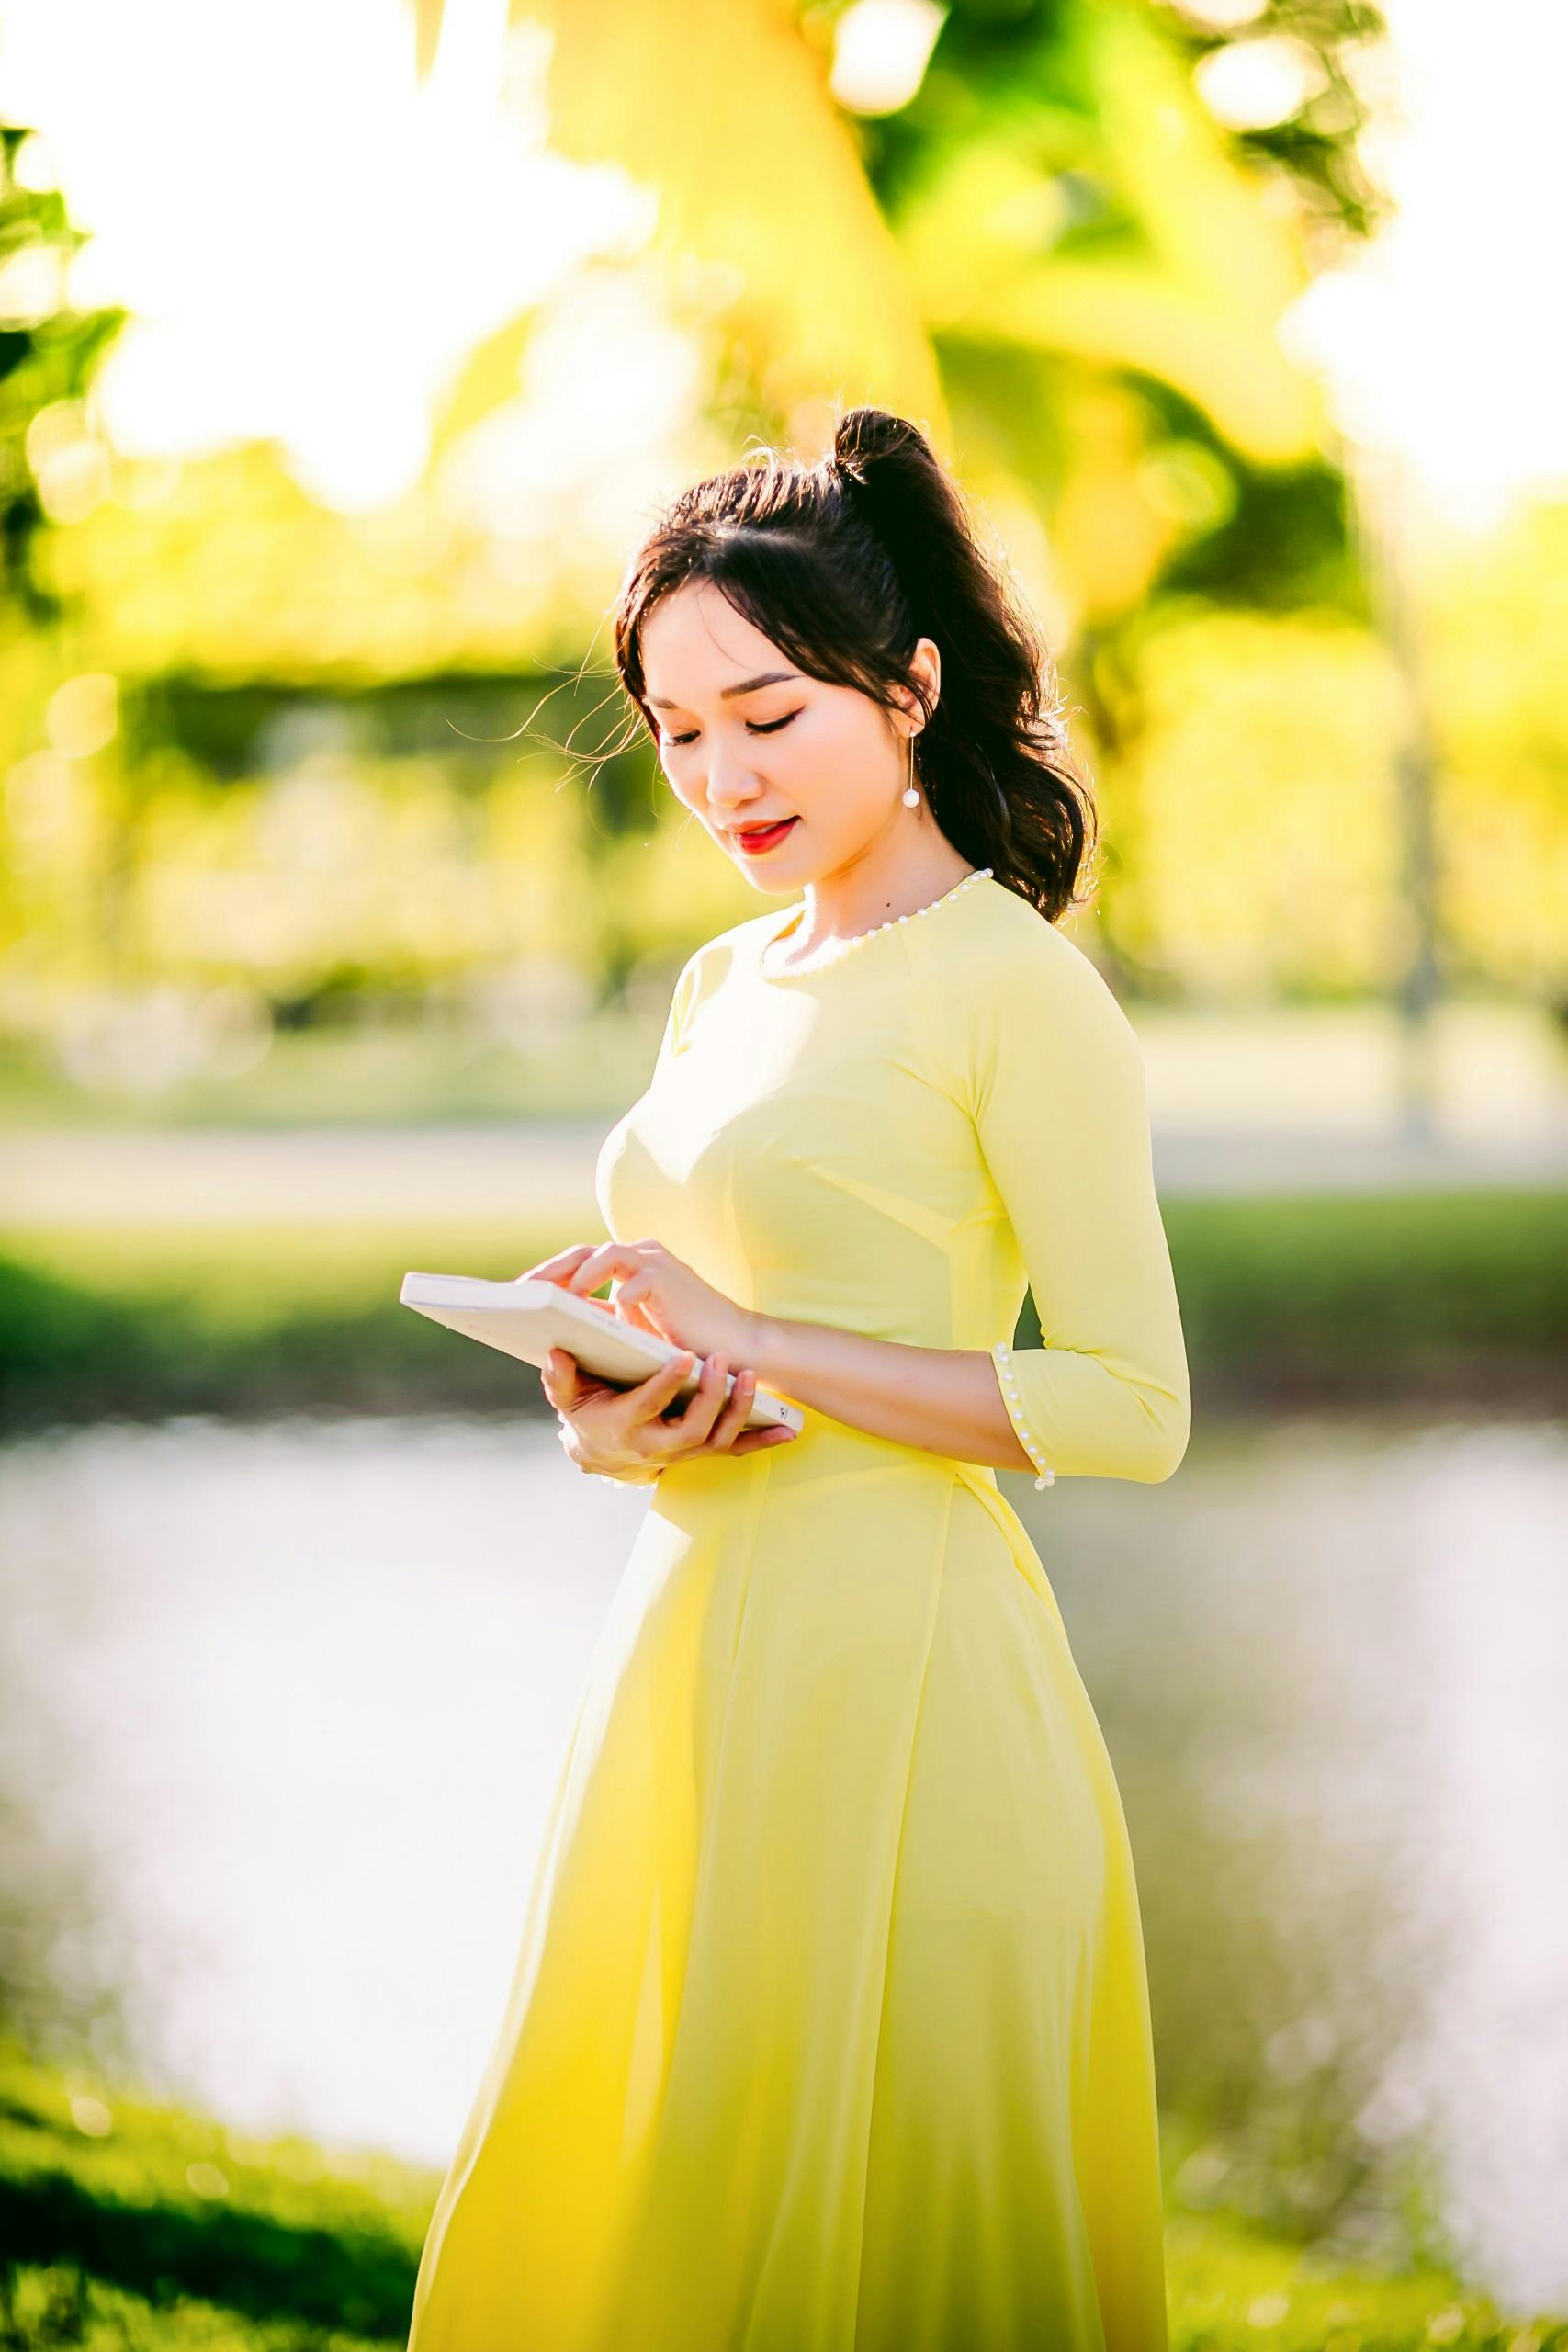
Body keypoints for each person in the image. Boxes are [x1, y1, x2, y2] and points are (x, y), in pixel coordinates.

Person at [405, 406, 1191, 2352]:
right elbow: (721, 1322)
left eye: (766, 714)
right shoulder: (722, 981)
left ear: (909, 685)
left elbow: (1126, 1400)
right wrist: (615, 1407)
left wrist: (756, 1339)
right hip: (690, 1637)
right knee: (653, 2201)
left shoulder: (1014, 987)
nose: (717, 773)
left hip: (903, 1673)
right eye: (676, 731)